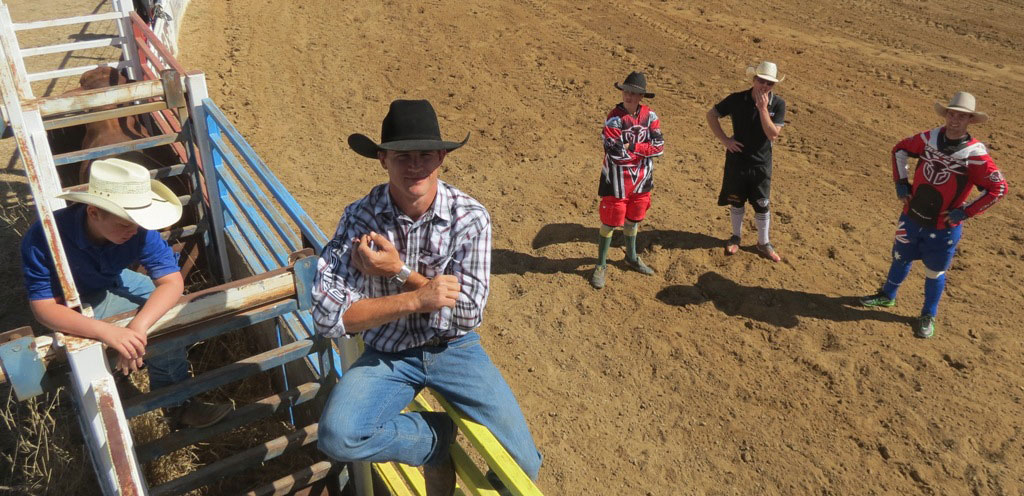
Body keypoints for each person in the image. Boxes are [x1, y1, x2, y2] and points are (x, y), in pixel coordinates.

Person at [313, 99, 542, 495]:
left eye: (424, 155)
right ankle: (434, 438)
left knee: (523, 465)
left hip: (456, 348)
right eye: (403, 155)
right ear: (383, 159)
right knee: (338, 436)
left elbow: (468, 313)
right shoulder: (359, 218)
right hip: (390, 352)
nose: (414, 165)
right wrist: (419, 297)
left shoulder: (470, 217)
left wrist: (399, 272)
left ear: (441, 157)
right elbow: (328, 315)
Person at [20, 158, 231, 428]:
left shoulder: (138, 231)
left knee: (164, 320)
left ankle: (176, 404)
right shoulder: (44, 238)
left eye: (139, 223)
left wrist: (138, 326)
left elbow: (171, 282)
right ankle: (112, 385)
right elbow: (44, 309)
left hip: (113, 279)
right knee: (97, 343)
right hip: (71, 299)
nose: (133, 230)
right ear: (94, 212)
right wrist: (108, 332)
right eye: (124, 223)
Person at [860, 92, 1008, 338]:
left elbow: (999, 188)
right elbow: (900, 149)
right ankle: (887, 296)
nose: (955, 120)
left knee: (934, 272)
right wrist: (902, 185)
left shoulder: (976, 155)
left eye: (962, 116)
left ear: (970, 120)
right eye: (952, 114)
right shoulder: (929, 138)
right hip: (912, 215)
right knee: (899, 257)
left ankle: (928, 314)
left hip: (943, 227)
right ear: (946, 114)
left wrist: (965, 212)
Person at [706, 61, 787, 262]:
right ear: (753, 80)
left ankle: (763, 242)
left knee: (762, 203)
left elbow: (772, 135)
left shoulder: (777, 104)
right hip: (738, 161)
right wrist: (725, 140)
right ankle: (736, 236)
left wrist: (762, 109)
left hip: (761, 163)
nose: (764, 86)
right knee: (736, 200)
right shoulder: (736, 99)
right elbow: (711, 115)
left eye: (769, 83)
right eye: (761, 81)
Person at [591, 71, 665, 289]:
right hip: (617, 180)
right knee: (610, 220)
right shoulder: (614, 117)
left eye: (633, 93)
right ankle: (601, 264)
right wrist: (644, 152)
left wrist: (632, 147)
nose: (629, 96)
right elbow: (614, 153)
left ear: (641, 96)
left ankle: (631, 256)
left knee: (635, 217)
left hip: (641, 180)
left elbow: (659, 148)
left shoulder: (651, 117)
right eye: (626, 91)